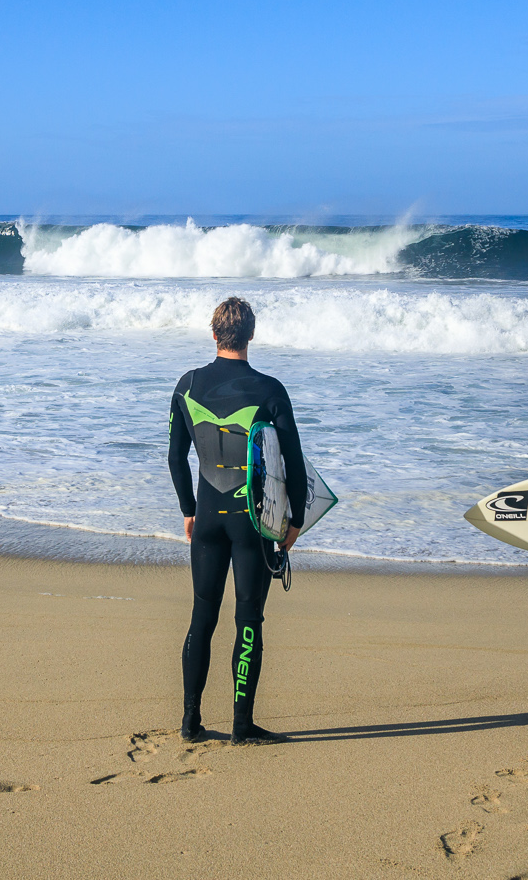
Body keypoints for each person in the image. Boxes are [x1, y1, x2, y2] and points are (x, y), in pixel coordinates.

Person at [168, 296, 308, 745]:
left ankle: (190, 722)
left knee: (201, 616)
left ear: (214, 335)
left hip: (207, 517)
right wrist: (294, 521)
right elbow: (294, 463)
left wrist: (189, 510)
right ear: (251, 335)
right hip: (253, 523)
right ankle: (241, 725)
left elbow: (175, 458)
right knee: (249, 617)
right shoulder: (270, 390)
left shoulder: (187, 385)